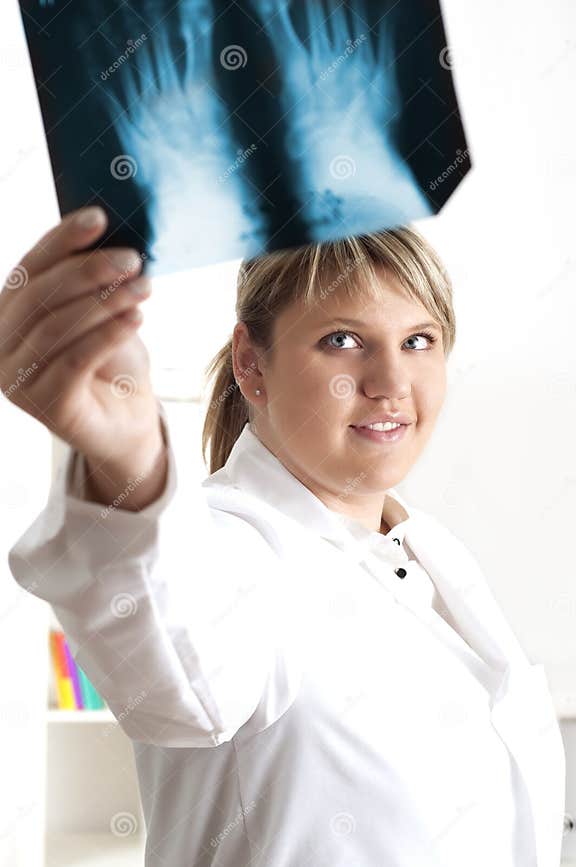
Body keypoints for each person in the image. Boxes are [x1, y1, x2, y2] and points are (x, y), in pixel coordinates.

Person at [3, 206, 565, 866]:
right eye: (344, 341)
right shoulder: (236, 550)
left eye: (418, 341)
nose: (390, 384)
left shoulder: (431, 554)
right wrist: (127, 461)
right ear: (252, 363)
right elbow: (185, 663)